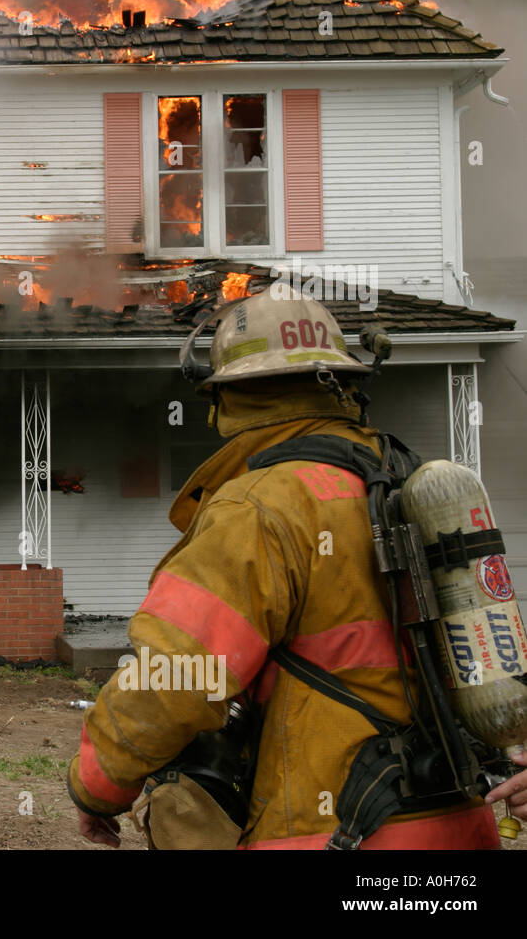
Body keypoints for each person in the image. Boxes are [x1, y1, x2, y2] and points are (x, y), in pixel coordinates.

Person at [67, 285, 518, 849]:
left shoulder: (256, 505)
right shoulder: (411, 480)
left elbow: (175, 678)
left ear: (228, 399)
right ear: (345, 382)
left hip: (334, 832)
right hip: (460, 826)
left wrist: (97, 786)